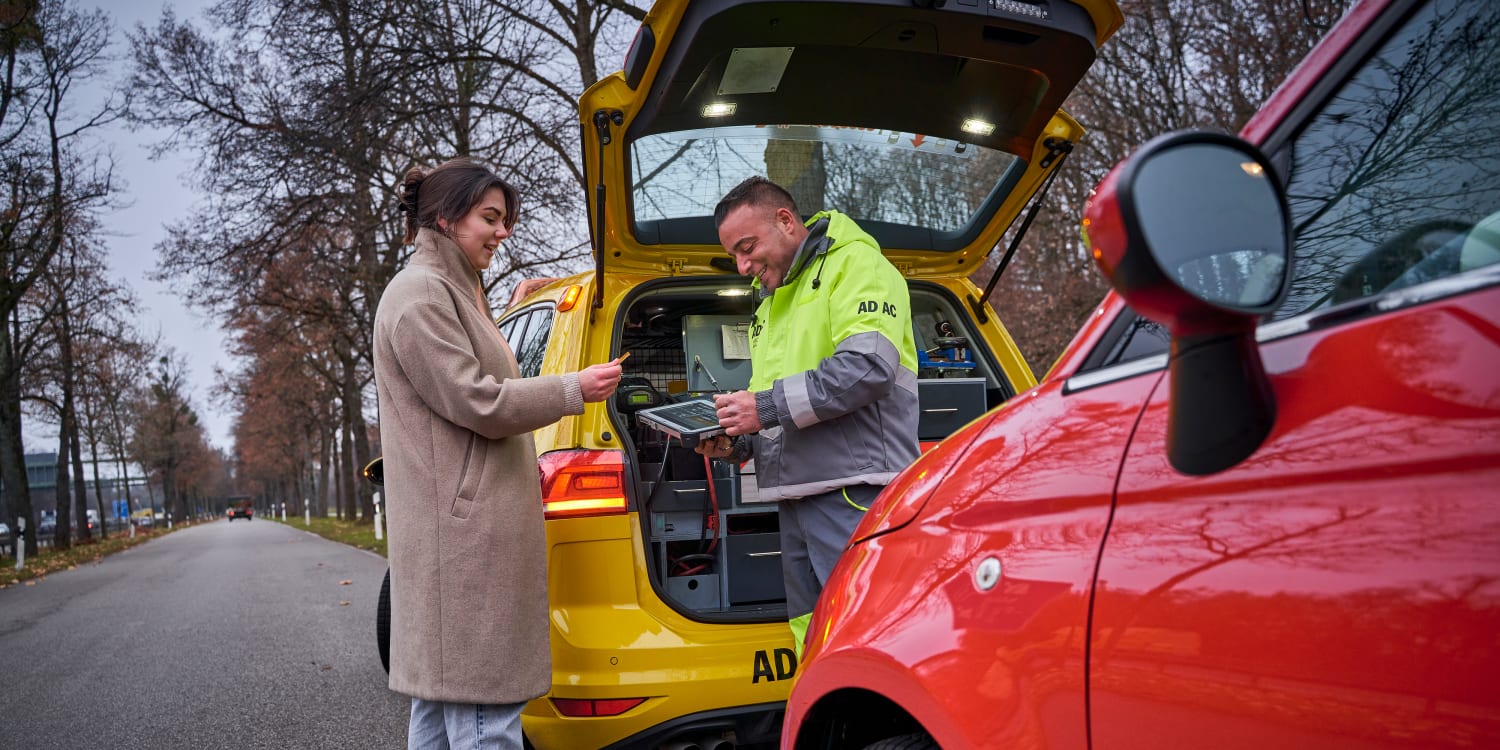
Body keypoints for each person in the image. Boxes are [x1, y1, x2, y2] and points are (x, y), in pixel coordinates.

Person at [372, 158, 622, 750]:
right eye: (491, 218)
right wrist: (572, 389)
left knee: (441, 714)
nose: (503, 231)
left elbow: (470, 372)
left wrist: (497, 309)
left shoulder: (447, 289)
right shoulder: (420, 298)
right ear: (445, 216)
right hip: (464, 545)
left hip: (458, 538)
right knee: (488, 724)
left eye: (504, 219)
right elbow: (476, 399)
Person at [695, 176, 919, 654]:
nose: (742, 266)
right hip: (797, 497)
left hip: (855, 489)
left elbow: (869, 367)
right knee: (813, 636)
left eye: (747, 247)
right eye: (734, 254)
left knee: (866, 634)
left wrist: (763, 407)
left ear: (785, 221)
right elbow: (773, 406)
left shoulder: (857, 264)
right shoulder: (773, 302)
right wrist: (735, 443)